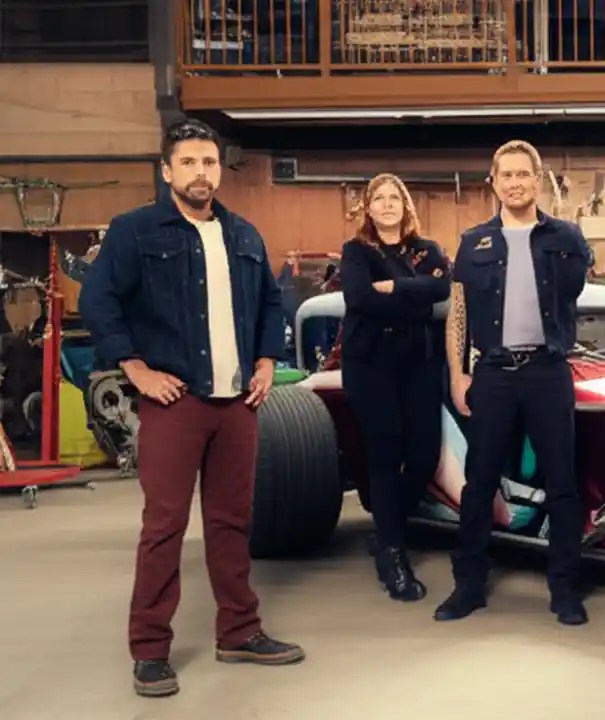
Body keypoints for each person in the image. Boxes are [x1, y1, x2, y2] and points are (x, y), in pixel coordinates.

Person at [80, 118, 304, 699]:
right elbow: (98, 299)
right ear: (167, 170)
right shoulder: (135, 232)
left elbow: (271, 304)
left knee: (232, 523)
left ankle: (239, 630)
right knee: (165, 526)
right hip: (176, 401)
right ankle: (150, 650)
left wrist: (264, 360)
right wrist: (134, 369)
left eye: (208, 162)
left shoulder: (244, 234)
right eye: (188, 163)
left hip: (237, 404)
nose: (201, 173)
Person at [437, 139, 592, 626]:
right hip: (494, 374)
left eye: (523, 174)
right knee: (479, 483)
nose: (515, 183)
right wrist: (458, 373)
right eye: (506, 175)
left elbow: (574, 292)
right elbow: (457, 314)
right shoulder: (474, 242)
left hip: (548, 373)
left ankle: (565, 588)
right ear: (495, 181)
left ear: (537, 178)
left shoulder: (565, 237)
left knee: (563, 484)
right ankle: (468, 585)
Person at [339, 173, 452, 602]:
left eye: (394, 198)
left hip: (419, 364)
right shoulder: (357, 252)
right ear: (367, 208)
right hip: (371, 366)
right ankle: (392, 553)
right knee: (385, 456)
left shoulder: (428, 250)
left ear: (406, 205)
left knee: (423, 456)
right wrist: (414, 296)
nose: (387, 205)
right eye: (378, 199)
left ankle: (388, 525)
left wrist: (398, 287)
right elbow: (359, 298)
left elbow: (442, 286)